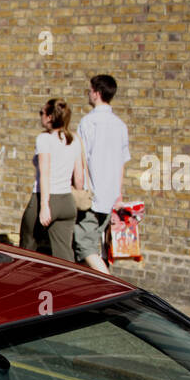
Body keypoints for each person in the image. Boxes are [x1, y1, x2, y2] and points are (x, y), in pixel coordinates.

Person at [75, 74, 130, 273]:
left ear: (97, 93)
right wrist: (119, 194)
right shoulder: (120, 126)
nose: (88, 94)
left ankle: (112, 285)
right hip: (110, 195)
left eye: (90, 90)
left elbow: (80, 159)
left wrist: (79, 189)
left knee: (84, 246)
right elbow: (122, 163)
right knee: (99, 247)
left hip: (92, 195)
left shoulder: (88, 122)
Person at [19, 98, 82, 262]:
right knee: (65, 256)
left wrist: (45, 206)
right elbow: (79, 179)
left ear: (49, 117)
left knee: (27, 247)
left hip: (45, 198)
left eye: (42, 112)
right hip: (67, 201)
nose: (40, 116)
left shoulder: (44, 139)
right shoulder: (74, 139)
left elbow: (45, 173)